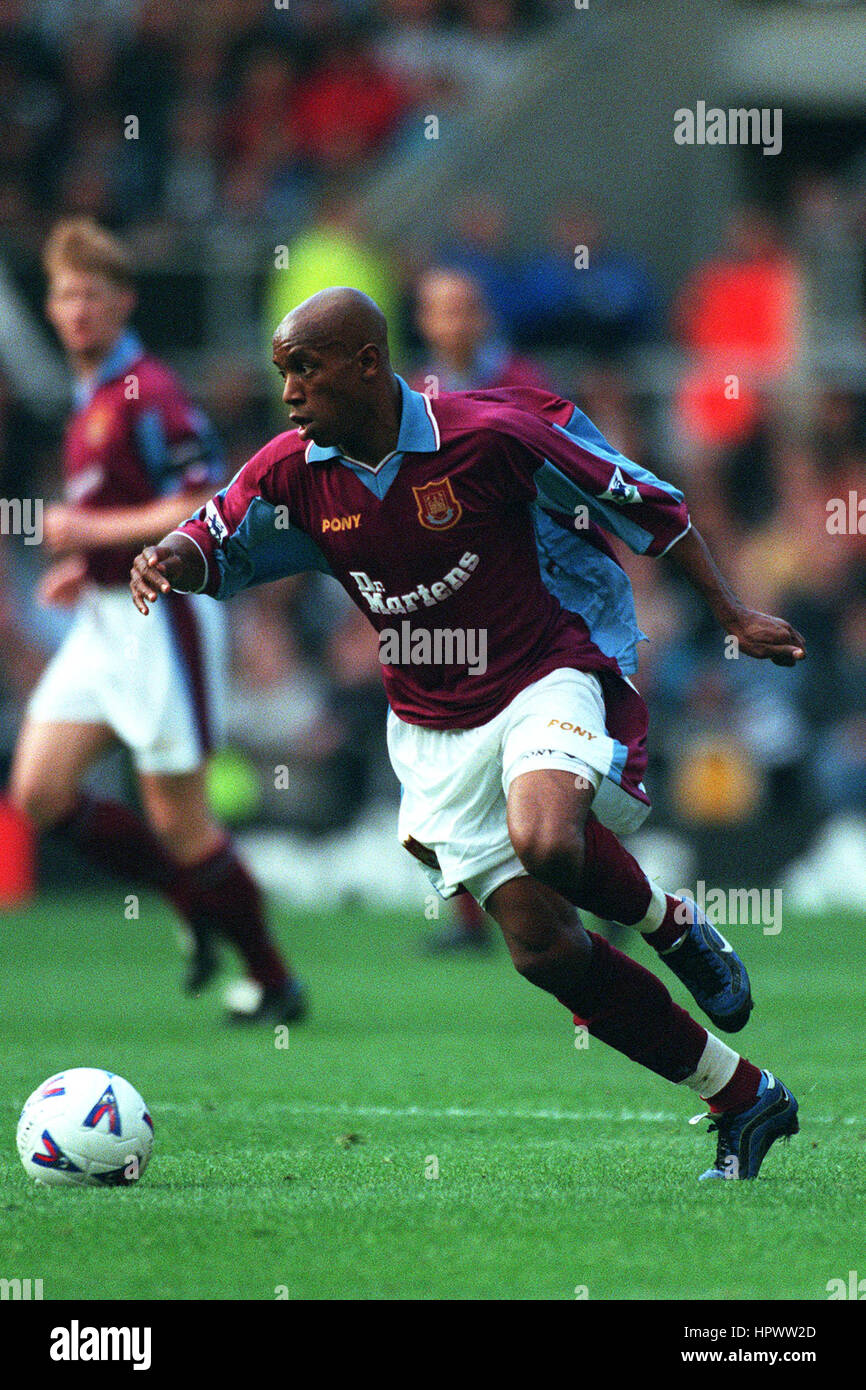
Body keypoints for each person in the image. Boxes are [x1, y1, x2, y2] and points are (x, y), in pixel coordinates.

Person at [131, 287, 807, 1179]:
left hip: (541, 673)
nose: (288, 391)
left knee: (549, 838)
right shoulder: (293, 469)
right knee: (544, 949)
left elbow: (647, 501)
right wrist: (168, 558)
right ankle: (743, 1097)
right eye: (280, 372)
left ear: (367, 363)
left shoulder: (489, 435)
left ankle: (672, 924)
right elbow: (214, 531)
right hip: (430, 726)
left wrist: (729, 610)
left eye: (305, 367)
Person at [9, 218, 305, 1025]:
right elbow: (125, 509)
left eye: (91, 295)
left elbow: (206, 501)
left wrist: (91, 535)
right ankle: (188, 900)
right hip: (102, 617)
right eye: (64, 295)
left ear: (122, 302)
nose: (75, 310)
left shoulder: (150, 391)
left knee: (180, 819)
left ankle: (274, 979)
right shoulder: (91, 394)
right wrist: (87, 564)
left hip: (157, 618)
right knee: (38, 790)